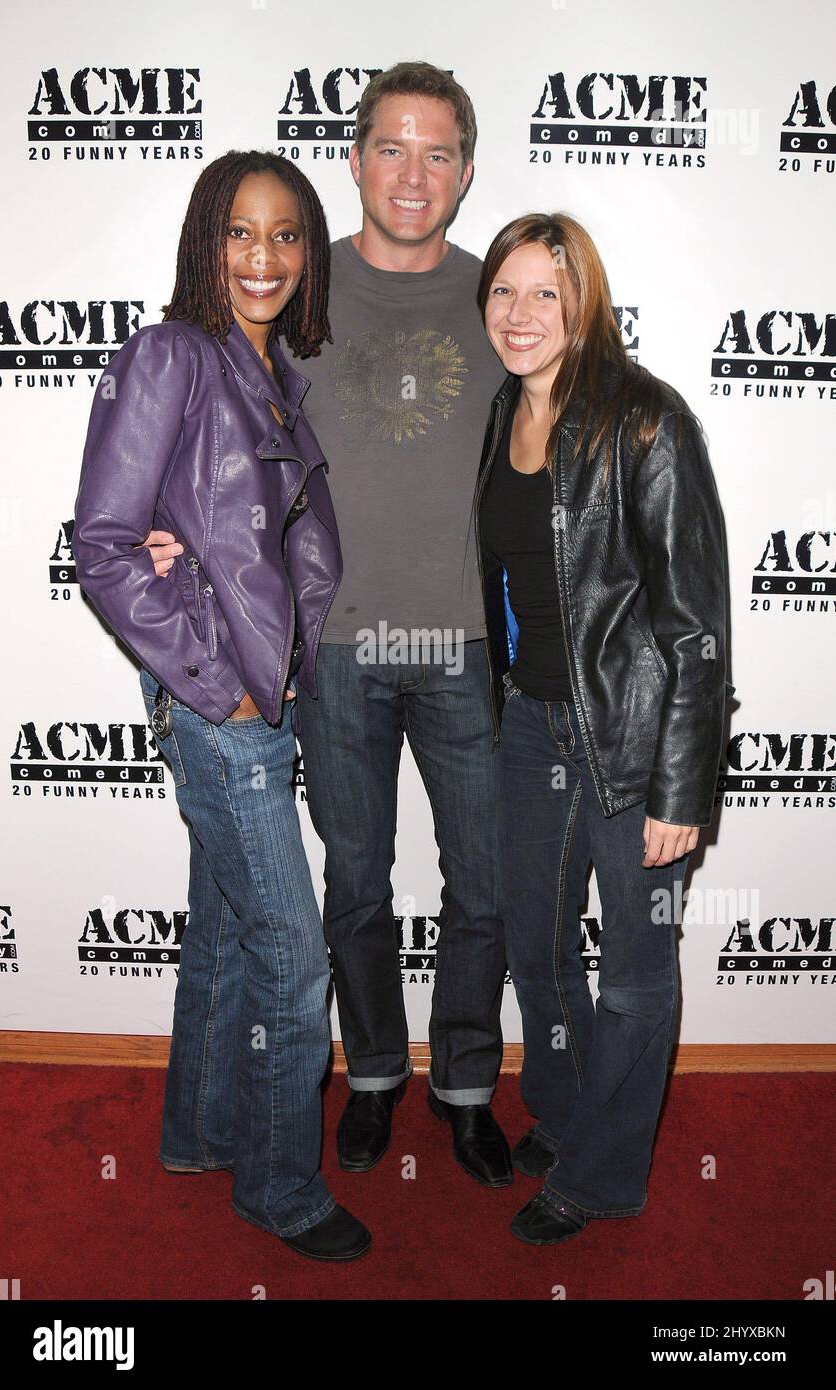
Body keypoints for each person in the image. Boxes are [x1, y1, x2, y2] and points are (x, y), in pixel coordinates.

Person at [145, 64, 514, 1187]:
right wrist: (165, 532)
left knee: (483, 885)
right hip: (334, 648)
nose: (413, 173)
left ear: (463, 172)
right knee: (353, 878)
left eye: (438, 152)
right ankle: (371, 1078)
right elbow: (204, 397)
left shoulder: (502, 291)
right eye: (391, 148)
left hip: (460, 644)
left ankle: (462, 1086)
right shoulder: (295, 284)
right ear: (352, 159)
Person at [72, 150, 371, 1261]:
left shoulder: (273, 369)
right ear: (208, 241)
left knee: (229, 935)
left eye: (286, 235)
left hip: (259, 692)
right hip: (220, 708)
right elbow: (104, 545)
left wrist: (270, 662)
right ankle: (281, 1187)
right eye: (240, 233)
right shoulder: (168, 357)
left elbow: (255, 548)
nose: (264, 257)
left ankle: (201, 1132)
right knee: (294, 964)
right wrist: (221, 680)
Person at [475, 212, 732, 1244]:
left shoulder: (645, 421)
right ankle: (569, 1109)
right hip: (529, 729)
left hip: (630, 743)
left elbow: (694, 620)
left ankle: (604, 1173)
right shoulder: (500, 412)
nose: (520, 313)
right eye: (503, 291)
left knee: (631, 973)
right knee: (535, 954)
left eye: (547, 292)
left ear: (584, 303)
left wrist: (682, 787)